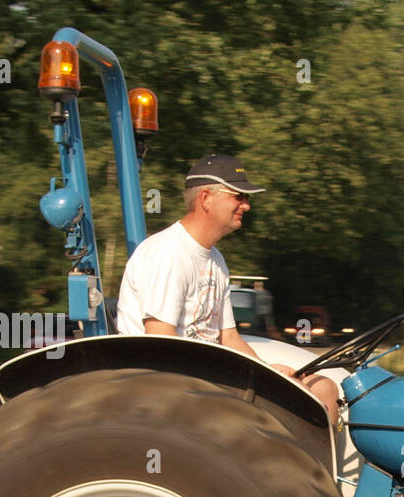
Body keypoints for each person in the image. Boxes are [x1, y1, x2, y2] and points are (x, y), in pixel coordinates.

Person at [116, 154, 340, 421]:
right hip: (168, 383)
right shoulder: (167, 253)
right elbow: (160, 340)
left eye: (247, 199)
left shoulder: (215, 260)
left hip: (208, 377)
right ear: (206, 198)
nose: (246, 206)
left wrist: (267, 371)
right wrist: (242, 377)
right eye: (238, 197)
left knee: (324, 388)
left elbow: (228, 337)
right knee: (300, 403)